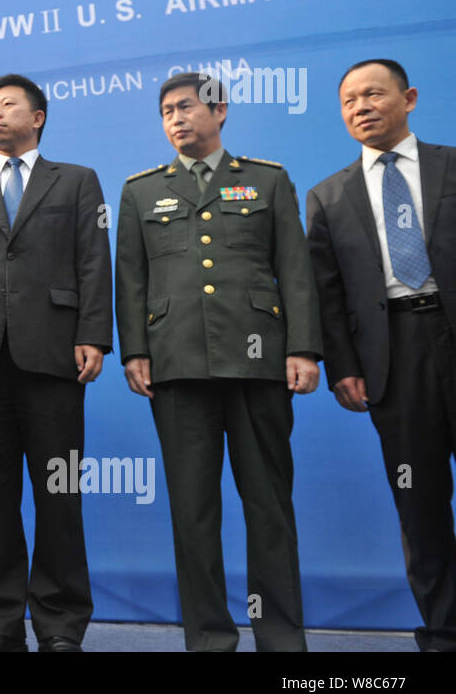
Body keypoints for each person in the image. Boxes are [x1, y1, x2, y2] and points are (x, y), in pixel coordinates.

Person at [115, 72, 321, 652]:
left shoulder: (266, 180)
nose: (176, 118)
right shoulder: (138, 192)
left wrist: (302, 347)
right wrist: (135, 351)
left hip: (259, 365)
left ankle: (282, 641)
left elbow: (296, 272)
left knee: (270, 510)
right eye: (165, 112)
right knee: (193, 513)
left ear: (220, 109)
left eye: (186, 107)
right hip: (176, 366)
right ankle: (208, 640)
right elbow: (130, 279)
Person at [0, 74, 111, 652]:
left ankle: (60, 627)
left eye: (7, 106)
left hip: (55, 356)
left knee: (59, 496)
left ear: (38, 117)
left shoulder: (77, 182)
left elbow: (93, 263)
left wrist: (94, 337)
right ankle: (0, 627)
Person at [305, 58, 456, 653]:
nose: (360, 107)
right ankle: (443, 635)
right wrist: (343, 366)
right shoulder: (328, 195)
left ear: (409, 97)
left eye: (373, 94)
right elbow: (328, 293)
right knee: (419, 506)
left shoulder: (452, 165)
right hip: (394, 357)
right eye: (348, 101)